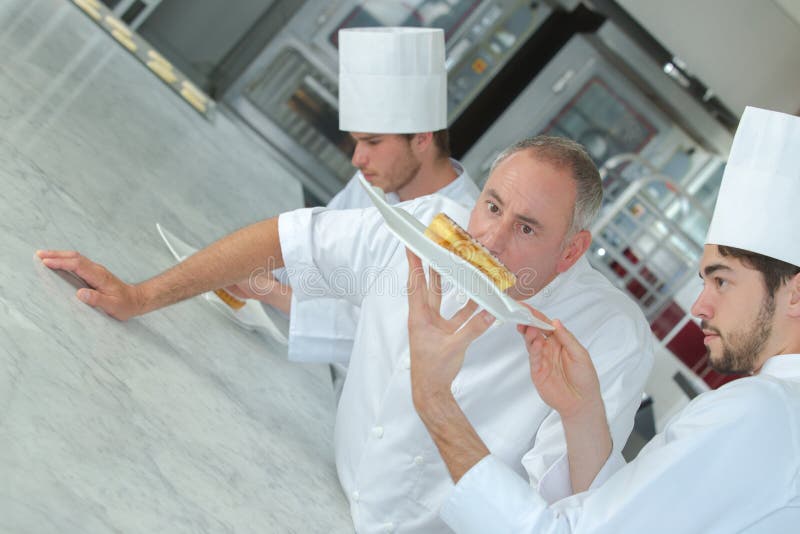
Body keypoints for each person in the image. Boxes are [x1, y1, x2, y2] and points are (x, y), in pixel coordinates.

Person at [37, 135, 653, 533]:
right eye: (491, 206)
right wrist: (141, 296)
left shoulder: (608, 334)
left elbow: (565, 507)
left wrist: (448, 396)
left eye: (526, 229)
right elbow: (289, 238)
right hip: (322, 497)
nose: (490, 239)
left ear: (572, 252)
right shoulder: (428, 224)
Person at [408, 106, 800, 533]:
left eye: (721, 282)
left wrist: (433, 400)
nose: (699, 308)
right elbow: (627, 516)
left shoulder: (761, 410)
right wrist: (583, 415)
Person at [233, 28, 479, 391]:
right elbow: (310, 259)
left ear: (422, 139)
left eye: (373, 142)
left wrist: (269, 292)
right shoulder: (375, 178)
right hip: (299, 362)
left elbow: (391, 342)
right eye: (357, 141)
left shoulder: (466, 230)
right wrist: (254, 273)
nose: (358, 158)